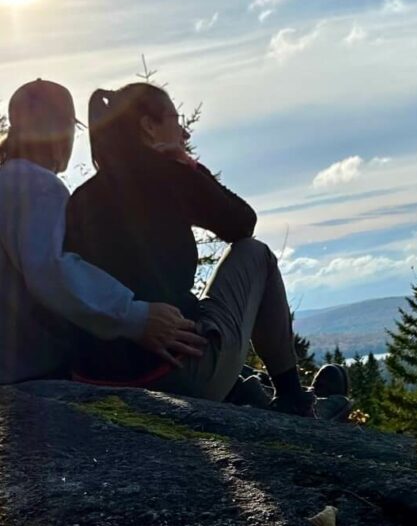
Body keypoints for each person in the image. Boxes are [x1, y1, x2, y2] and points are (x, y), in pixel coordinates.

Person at [65, 82, 313, 415]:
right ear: (148, 126)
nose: (183, 131)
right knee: (256, 254)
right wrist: (190, 167)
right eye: (174, 118)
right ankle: (293, 400)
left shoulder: (81, 198)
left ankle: (245, 390)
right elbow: (242, 223)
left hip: (92, 378)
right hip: (171, 375)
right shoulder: (168, 174)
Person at [0, 79, 205, 384]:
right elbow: (51, 269)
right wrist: (136, 317)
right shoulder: (35, 184)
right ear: (59, 129)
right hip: (34, 370)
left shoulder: (11, 180)